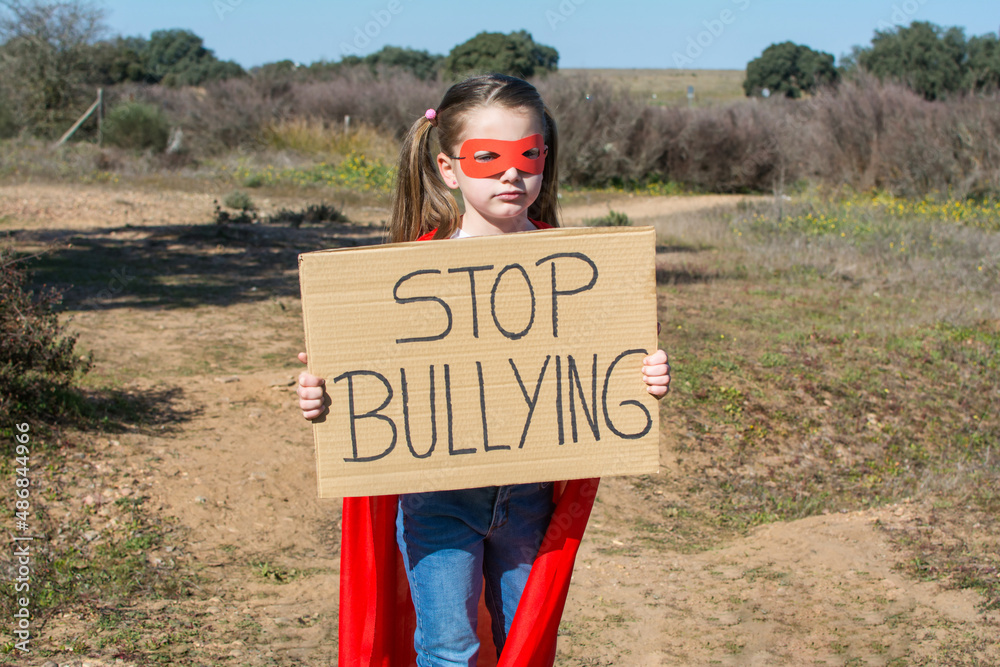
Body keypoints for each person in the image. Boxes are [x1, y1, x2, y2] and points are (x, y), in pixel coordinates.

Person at [296, 73, 670, 667]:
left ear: (545, 158)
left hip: (529, 501)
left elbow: (602, 366)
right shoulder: (406, 277)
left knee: (525, 649)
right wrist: (324, 395)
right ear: (448, 167)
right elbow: (360, 382)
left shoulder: (575, 272)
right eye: (487, 156)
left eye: (529, 155)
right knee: (449, 650)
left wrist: (643, 377)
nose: (510, 172)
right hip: (437, 497)